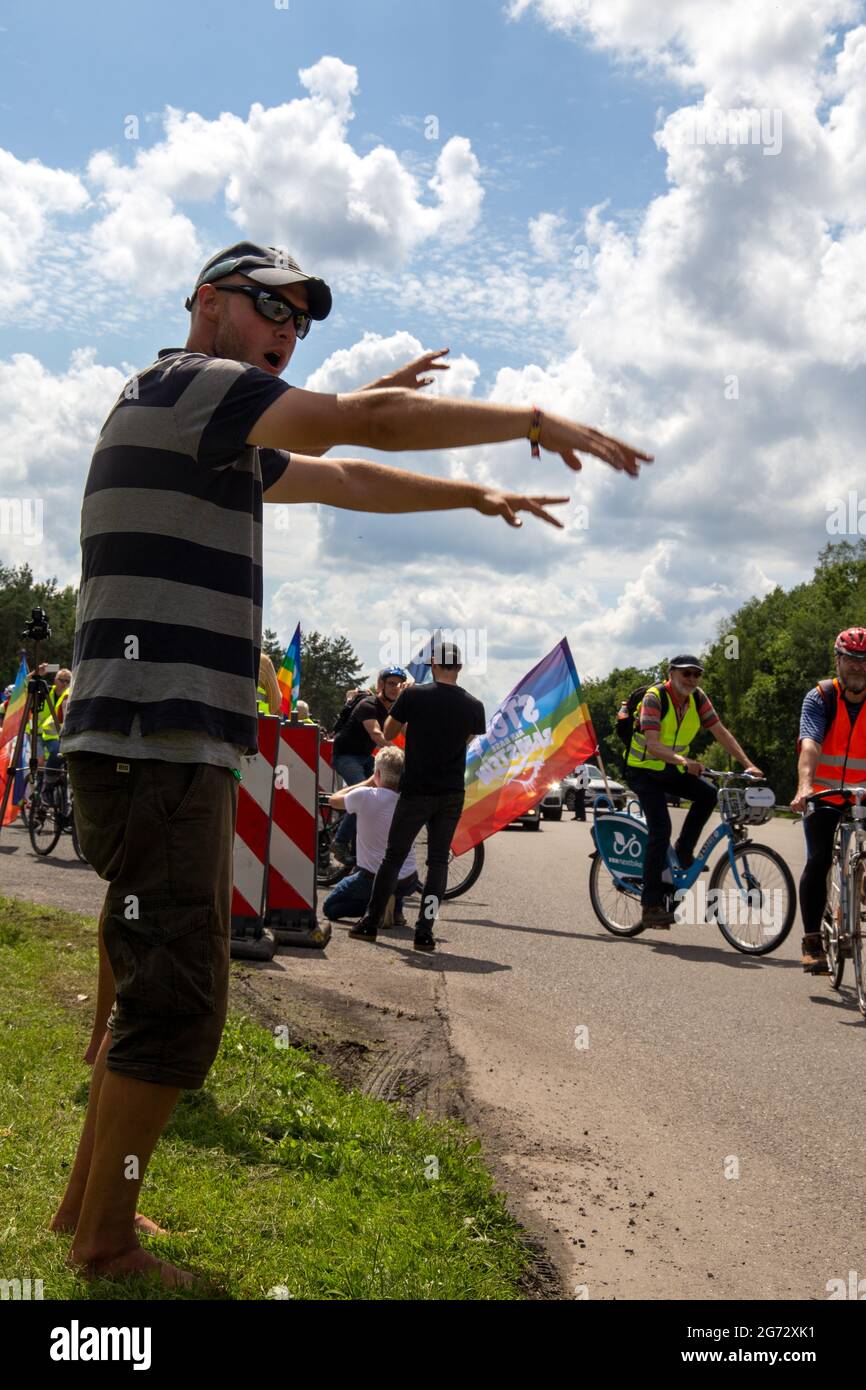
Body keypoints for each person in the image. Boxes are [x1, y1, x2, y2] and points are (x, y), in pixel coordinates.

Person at [55, 239, 650, 1289]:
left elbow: (341, 472)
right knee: (179, 1003)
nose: (286, 326)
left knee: (154, 982)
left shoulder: (195, 414)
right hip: (159, 747)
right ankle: (108, 1244)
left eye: (301, 317)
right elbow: (361, 425)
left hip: (142, 746)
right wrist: (525, 422)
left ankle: (84, 1211)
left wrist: (469, 496)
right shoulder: (200, 389)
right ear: (203, 301)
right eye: (266, 305)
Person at [350, 641, 486, 951]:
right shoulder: (474, 706)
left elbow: (389, 729)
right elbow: (465, 739)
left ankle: (370, 922)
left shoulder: (413, 694)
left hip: (417, 789)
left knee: (393, 857)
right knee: (438, 864)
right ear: (460, 668)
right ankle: (424, 932)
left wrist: (416, 729)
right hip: (451, 792)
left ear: (434, 665)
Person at [625, 654, 763, 929]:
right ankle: (651, 905)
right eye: (686, 673)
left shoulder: (697, 698)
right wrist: (683, 762)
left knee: (709, 795)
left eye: (696, 674)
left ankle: (684, 852)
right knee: (660, 828)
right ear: (671, 673)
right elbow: (652, 744)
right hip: (643, 770)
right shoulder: (655, 698)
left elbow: (721, 732)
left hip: (671, 769)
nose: (691, 679)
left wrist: (748, 764)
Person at [790, 627, 866, 973]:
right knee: (819, 859)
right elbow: (811, 744)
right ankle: (811, 940)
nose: (857, 667)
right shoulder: (820, 697)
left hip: (862, 793)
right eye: (851, 659)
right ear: (837, 661)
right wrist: (805, 786)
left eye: (864, 661)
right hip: (823, 792)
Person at [322, 746, 417, 923]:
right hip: (409, 881)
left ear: (377, 774)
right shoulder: (408, 801)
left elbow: (333, 800)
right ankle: (395, 908)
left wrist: (368, 782)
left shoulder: (365, 795)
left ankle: (375, 908)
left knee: (330, 908)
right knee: (396, 863)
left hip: (372, 879)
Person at [331, 666, 406, 862]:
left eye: (399, 685)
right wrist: (398, 752)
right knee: (364, 796)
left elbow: (406, 731)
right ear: (381, 684)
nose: (395, 688)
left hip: (364, 758)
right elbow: (376, 734)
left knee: (387, 787)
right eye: (391, 683)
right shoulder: (368, 705)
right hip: (346, 757)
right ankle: (339, 842)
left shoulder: (392, 710)